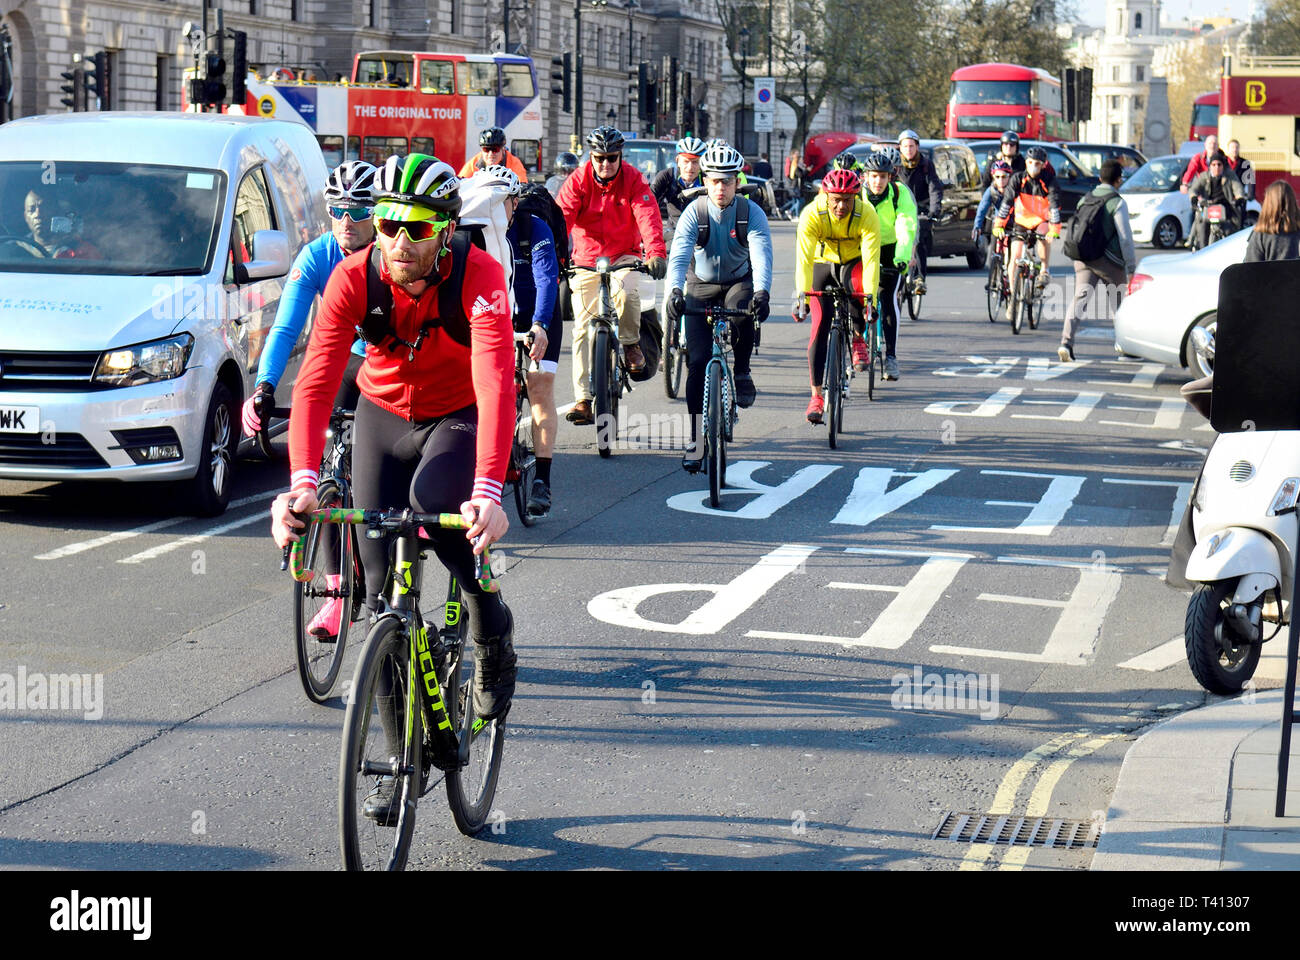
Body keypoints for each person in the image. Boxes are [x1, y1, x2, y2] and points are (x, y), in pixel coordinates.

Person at [270, 154, 517, 822]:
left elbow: (497, 384)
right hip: (383, 416)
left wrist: (489, 491)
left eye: (416, 229)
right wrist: (300, 484)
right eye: (386, 226)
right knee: (378, 595)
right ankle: (394, 763)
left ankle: (495, 637)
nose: (398, 242)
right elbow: (318, 382)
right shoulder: (355, 277)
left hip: (456, 417)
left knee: (445, 523)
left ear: (446, 230)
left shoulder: (480, 275)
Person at [242, 161, 378, 640]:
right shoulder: (316, 255)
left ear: (377, 210)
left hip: (386, 364)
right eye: (337, 209)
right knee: (325, 481)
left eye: (358, 209)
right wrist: (263, 386)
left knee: (384, 463)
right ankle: (338, 594)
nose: (346, 220)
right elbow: (286, 326)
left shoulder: (392, 251)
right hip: (340, 359)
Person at [665, 141, 773, 471]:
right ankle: (697, 441)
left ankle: (741, 371)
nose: (721, 187)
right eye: (714, 180)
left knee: (743, 313)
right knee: (697, 363)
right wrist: (674, 292)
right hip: (701, 284)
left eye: (727, 180)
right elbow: (680, 254)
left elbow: (761, 253)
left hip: (738, 280)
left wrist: (762, 293)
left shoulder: (749, 213)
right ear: (705, 181)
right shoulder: (693, 213)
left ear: (737, 182)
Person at [556, 124, 666, 425]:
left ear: (621, 156)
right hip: (585, 258)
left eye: (612, 158)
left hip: (624, 254)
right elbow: (561, 218)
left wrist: (655, 252)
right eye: (599, 158)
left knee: (628, 290)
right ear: (591, 156)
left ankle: (631, 345)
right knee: (581, 326)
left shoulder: (632, 178)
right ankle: (583, 399)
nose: (605, 164)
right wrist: (553, 254)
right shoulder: (577, 181)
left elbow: (648, 215)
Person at [483, 164, 563, 517]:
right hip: (497, 314)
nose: (498, 208)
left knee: (539, 387)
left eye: (504, 201)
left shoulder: (536, 227)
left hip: (539, 314)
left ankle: (542, 479)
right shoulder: (478, 231)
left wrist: (541, 325)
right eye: (491, 201)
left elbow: (547, 279)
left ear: (515, 202)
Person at [793, 166, 881, 424]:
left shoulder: (867, 213)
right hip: (822, 262)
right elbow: (804, 259)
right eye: (836, 200)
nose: (841, 206)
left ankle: (857, 338)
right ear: (825, 195)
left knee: (858, 290)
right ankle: (817, 397)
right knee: (819, 326)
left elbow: (872, 261)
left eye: (847, 200)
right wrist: (802, 297)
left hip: (854, 261)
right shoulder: (812, 213)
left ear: (856, 197)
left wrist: (871, 299)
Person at [1058, 159, 1135, 363]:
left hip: (1083, 257)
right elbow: (1125, 238)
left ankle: (1066, 343)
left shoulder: (1085, 199)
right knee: (1120, 304)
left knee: (1079, 300)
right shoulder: (1117, 202)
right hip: (1109, 261)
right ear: (1119, 180)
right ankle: (1124, 345)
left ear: (1100, 178)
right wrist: (1131, 267)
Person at [861, 150, 917, 382]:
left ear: (890, 177)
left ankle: (891, 356)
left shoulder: (899, 193)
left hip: (890, 249)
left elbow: (906, 224)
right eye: (873, 176)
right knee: (860, 296)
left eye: (883, 177)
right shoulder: (857, 193)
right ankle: (858, 345)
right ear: (865, 177)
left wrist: (902, 256)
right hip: (863, 247)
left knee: (888, 298)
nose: (878, 181)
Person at [994, 145, 1060, 321]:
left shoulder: (1049, 181)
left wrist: (1055, 228)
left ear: (1043, 164)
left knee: (1044, 234)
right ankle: (1014, 298)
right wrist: (999, 224)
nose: (1033, 167)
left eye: (1037, 164)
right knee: (1014, 258)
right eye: (1030, 163)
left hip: (1040, 220)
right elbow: (1007, 202)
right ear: (1026, 162)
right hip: (1021, 221)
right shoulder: (1017, 179)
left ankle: (1044, 270)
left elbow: (1054, 205)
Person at [894, 129, 942, 293]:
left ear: (917, 147)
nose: (908, 149)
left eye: (912, 146)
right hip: (899, 207)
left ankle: (919, 278)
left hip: (920, 207)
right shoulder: (894, 165)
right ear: (900, 147)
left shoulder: (926, 165)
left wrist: (934, 211)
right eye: (905, 146)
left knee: (919, 239)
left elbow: (934, 188)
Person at [1188, 151, 1246, 249]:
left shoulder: (1230, 175)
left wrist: (1240, 198)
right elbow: (1194, 189)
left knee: (1232, 228)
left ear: (1223, 166)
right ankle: (1195, 244)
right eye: (1213, 164)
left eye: (1219, 164)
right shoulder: (1204, 176)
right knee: (1200, 224)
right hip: (1208, 206)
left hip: (1225, 206)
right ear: (1210, 166)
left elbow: (1238, 188)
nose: (1216, 167)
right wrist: (1193, 197)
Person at [651, 136, 706, 232]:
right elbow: (648, 205)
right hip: (675, 230)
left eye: (695, 162)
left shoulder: (708, 179)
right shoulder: (666, 176)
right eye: (686, 161)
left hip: (702, 231)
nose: (690, 167)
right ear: (677, 161)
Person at [1245, 180, 1300, 262]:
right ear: (1292, 202)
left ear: (1268, 204)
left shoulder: (1260, 235)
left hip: (1265, 274)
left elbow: (1249, 268)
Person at [459, 127, 530, 182]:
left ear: (503, 149)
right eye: (486, 149)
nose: (490, 154)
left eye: (495, 150)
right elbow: (460, 182)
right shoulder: (474, 163)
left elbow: (521, 184)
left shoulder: (514, 163)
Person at [973, 159, 1013, 241]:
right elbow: (982, 209)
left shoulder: (1014, 189)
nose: (1000, 180)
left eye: (1004, 177)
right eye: (997, 177)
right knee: (993, 246)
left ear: (1009, 177)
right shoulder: (991, 191)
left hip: (1015, 223)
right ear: (993, 177)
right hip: (999, 223)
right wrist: (977, 226)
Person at [1225, 139, 1256, 203]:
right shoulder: (1223, 162)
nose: (1234, 150)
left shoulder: (1245, 163)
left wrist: (1250, 196)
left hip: (1239, 195)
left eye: (1236, 147)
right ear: (1228, 149)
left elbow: (1251, 181)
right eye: (1232, 147)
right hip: (1225, 195)